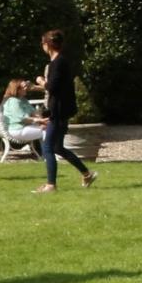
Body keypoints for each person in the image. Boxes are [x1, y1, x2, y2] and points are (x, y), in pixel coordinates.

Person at [34, 29, 97, 193]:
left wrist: (41, 81)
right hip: (59, 110)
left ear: (47, 45)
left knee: (47, 147)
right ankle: (87, 173)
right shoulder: (59, 62)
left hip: (59, 111)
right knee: (57, 148)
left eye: (42, 43)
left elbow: (53, 87)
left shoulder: (58, 63)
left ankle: (50, 185)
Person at [0, 79, 43, 151]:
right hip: (16, 129)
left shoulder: (23, 100)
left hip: (23, 126)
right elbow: (22, 118)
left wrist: (40, 120)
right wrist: (39, 120)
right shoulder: (13, 101)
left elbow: (33, 112)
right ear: (17, 89)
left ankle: (46, 152)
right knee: (47, 131)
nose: (26, 88)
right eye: (24, 87)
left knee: (48, 127)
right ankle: (49, 153)